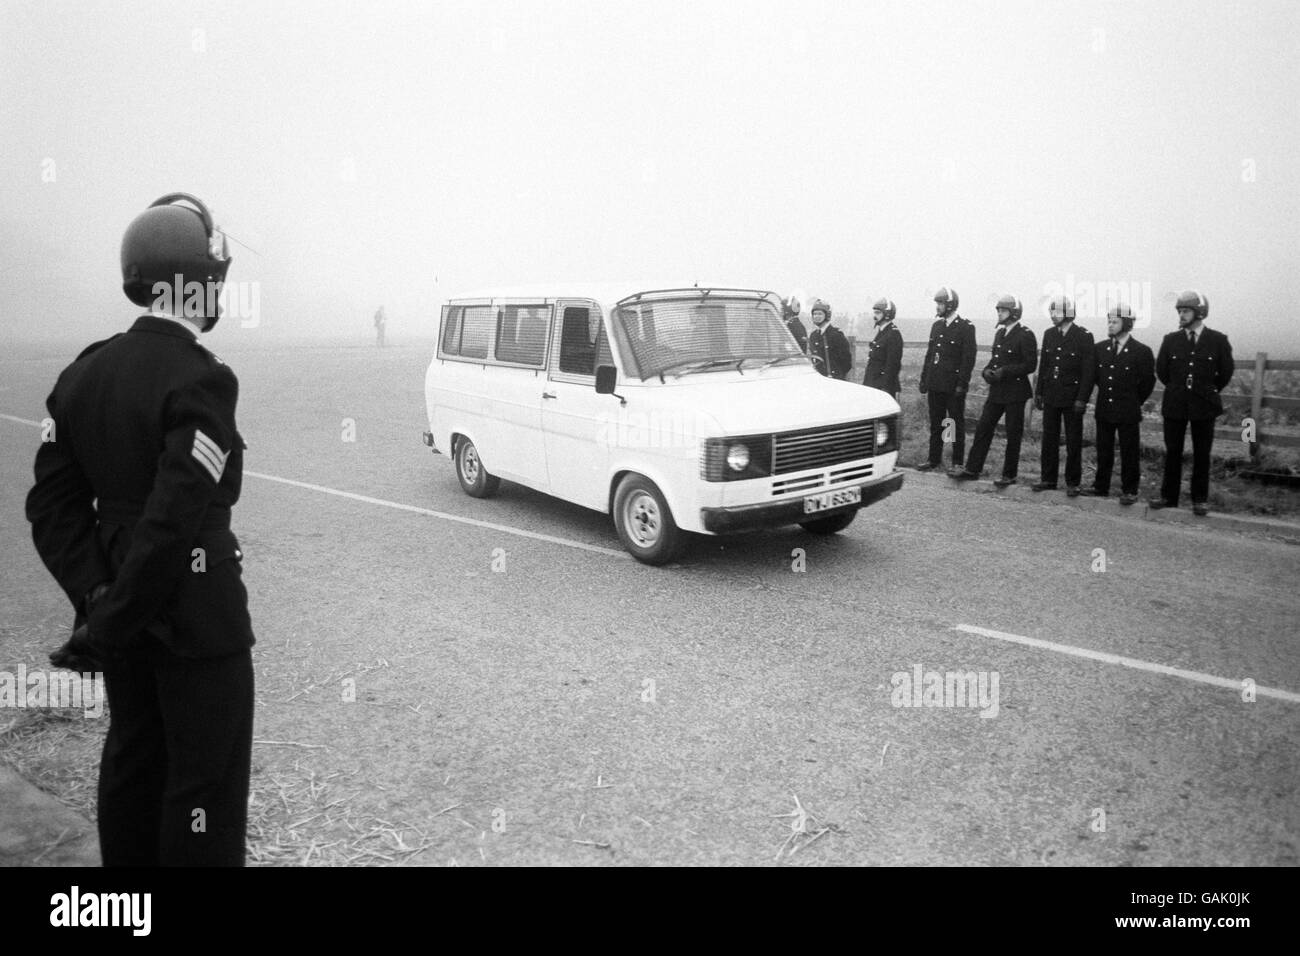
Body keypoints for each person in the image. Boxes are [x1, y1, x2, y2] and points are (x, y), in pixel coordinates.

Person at [26, 193, 256, 866]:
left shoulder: (83, 373)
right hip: (196, 628)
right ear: (196, 282)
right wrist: (115, 618)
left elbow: (52, 507)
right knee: (202, 798)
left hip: (120, 625)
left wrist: (98, 601)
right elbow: (174, 520)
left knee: (132, 772)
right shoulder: (202, 380)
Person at [1152, 290, 1233, 515]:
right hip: (1175, 403)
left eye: (1186, 310)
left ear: (1200, 312)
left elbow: (1225, 372)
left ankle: (1200, 500)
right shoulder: (1171, 340)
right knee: (1173, 451)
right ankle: (1168, 498)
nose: (1181, 315)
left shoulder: (1217, 340)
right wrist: (1180, 388)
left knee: (1201, 453)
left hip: (1204, 404)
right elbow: (1162, 371)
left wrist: (1206, 390)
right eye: (1179, 310)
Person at [952, 295, 1038, 487]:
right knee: (983, 428)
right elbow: (995, 360)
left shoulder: (1025, 334)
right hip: (997, 392)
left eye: (1003, 310)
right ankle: (973, 469)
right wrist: (986, 371)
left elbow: (1030, 364)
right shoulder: (1000, 334)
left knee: (1013, 434)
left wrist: (1005, 371)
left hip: (1016, 392)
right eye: (998, 310)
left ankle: (1009, 474)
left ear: (1014, 313)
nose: (999, 313)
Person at [1081, 303, 1156, 505]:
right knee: (1103, 450)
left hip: (1128, 410)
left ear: (1127, 323)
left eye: (1115, 321)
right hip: (1105, 408)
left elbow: (1148, 382)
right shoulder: (1100, 349)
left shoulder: (1141, 351)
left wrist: (1133, 400)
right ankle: (1100, 487)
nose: (1111, 325)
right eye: (1109, 321)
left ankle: (1130, 490)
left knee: (1129, 451)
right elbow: (1097, 377)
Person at [1032, 296, 1095, 495]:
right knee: (1049, 439)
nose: (1053, 316)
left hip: (1072, 397)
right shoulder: (1049, 334)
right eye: (1051, 312)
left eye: (1057, 312)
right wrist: (1040, 392)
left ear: (1068, 313)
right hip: (1051, 394)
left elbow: (1088, 371)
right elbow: (1045, 366)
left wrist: (1082, 399)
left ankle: (1072, 482)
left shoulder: (1083, 336)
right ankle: (1048, 479)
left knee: (1073, 440)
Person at [918, 287, 977, 471]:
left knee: (952, 423)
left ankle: (956, 461)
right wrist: (924, 379)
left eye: (941, 303)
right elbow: (930, 355)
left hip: (952, 387)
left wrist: (962, 384)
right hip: (935, 384)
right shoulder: (937, 326)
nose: (938, 306)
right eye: (937, 303)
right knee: (936, 423)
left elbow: (968, 359)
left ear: (950, 305)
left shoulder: (965, 328)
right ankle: (933, 459)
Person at [862, 297, 903, 399]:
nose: (874, 316)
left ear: (887, 314)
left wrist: (885, 388)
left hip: (883, 387)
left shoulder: (893, 334)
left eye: (878, 313)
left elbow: (892, 365)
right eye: (874, 313)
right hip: (873, 383)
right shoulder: (882, 332)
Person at [807, 299, 852, 380]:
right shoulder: (813, 335)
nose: (816, 316)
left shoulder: (836, 335)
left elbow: (846, 362)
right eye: (814, 314)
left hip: (834, 379)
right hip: (819, 379)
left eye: (820, 314)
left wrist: (837, 374)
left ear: (827, 315)